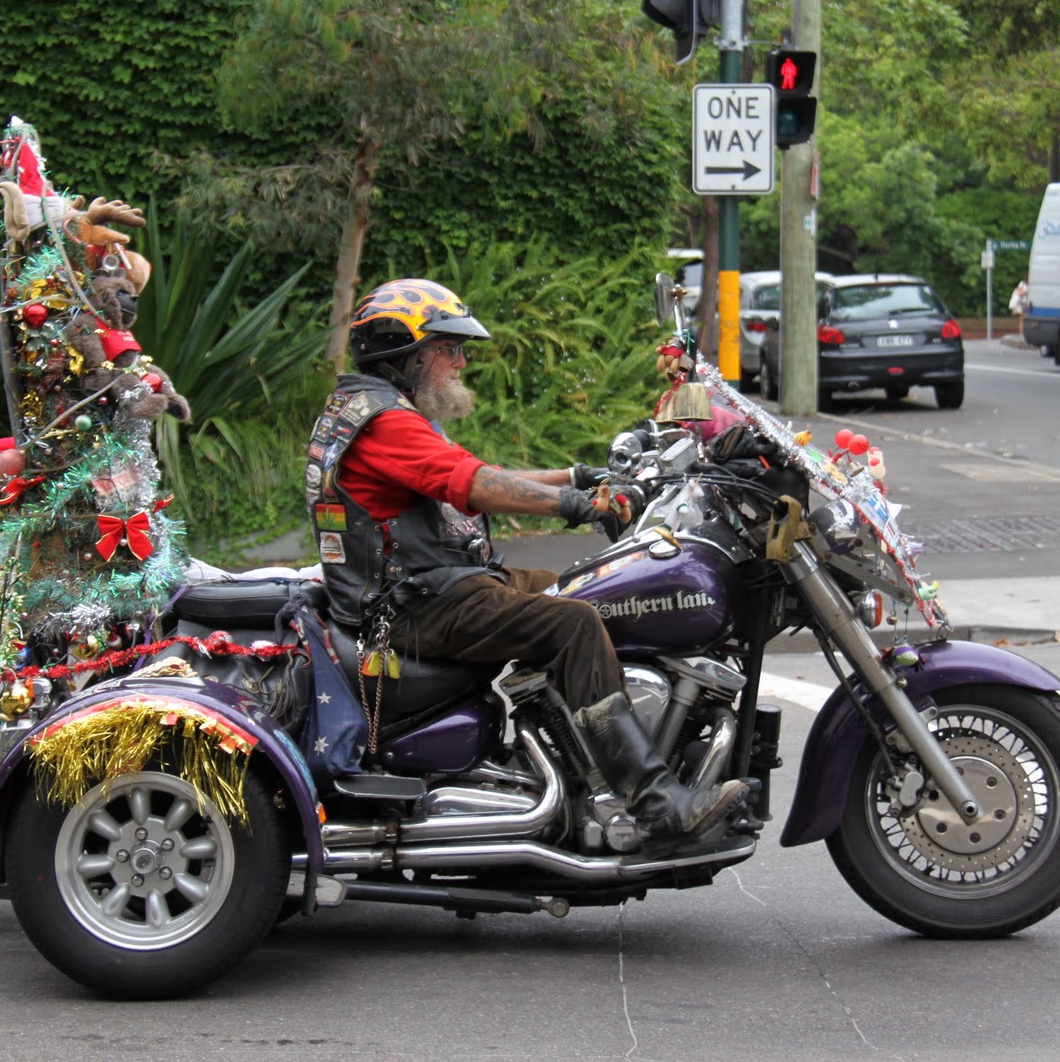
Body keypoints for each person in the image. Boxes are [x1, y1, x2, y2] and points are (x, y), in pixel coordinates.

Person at [305, 278, 748, 848]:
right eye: (449, 348)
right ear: (406, 353)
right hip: (415, 606)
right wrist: (579, 505)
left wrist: (579, 476)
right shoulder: (382, 424)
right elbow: (471, 483)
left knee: (593, 588)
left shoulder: (378, 410)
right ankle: (656, 802)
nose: (461, 361)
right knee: (575, 622)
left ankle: (587, 753)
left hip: (437, 583)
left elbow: (473, 471)